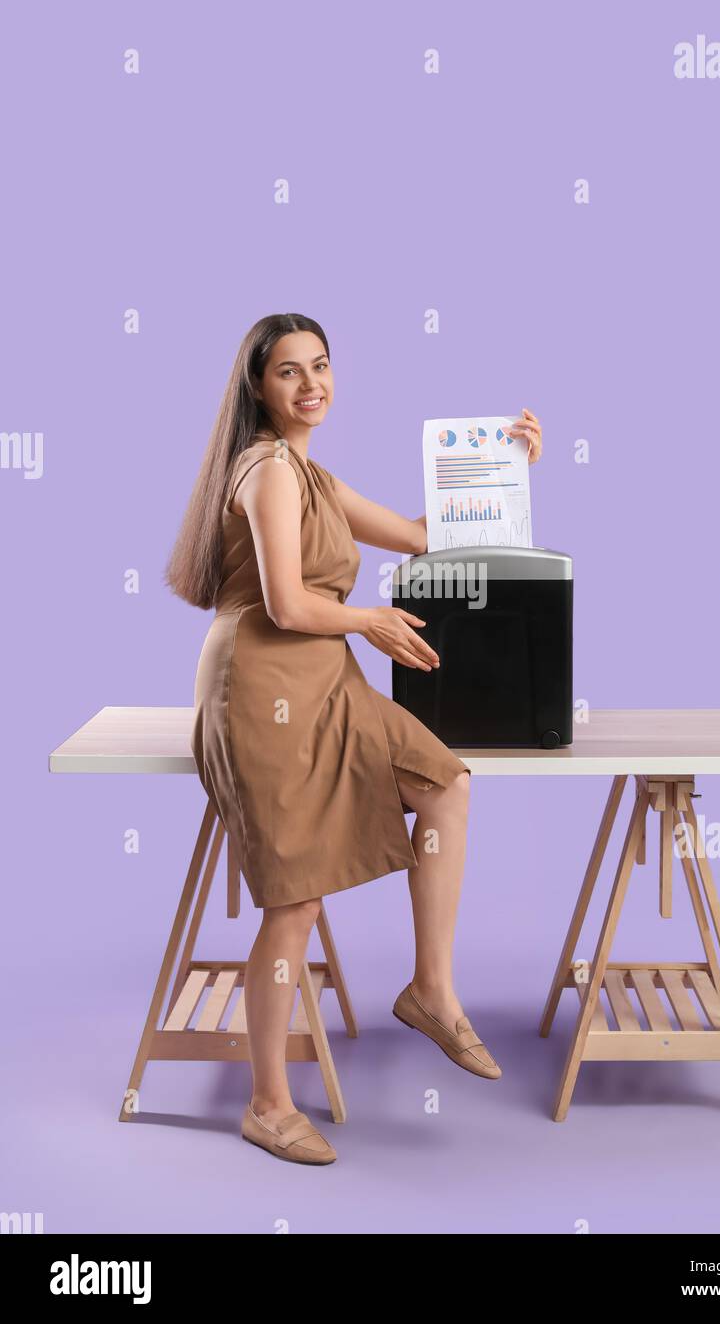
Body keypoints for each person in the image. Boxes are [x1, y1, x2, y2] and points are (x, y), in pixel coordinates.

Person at [165, 312, 543, 1164]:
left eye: (322, 366)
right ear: (259, 388)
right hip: (263, 686)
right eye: (290, 372)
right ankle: (266, 1104)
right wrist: (369, 619)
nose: (311, 385)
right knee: (294, 901)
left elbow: (419, 533)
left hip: (327, 681)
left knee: (445, 782)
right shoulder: (264, 471)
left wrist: (509, 471)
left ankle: (431, 990)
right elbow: (288, 605)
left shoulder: (316, 476)